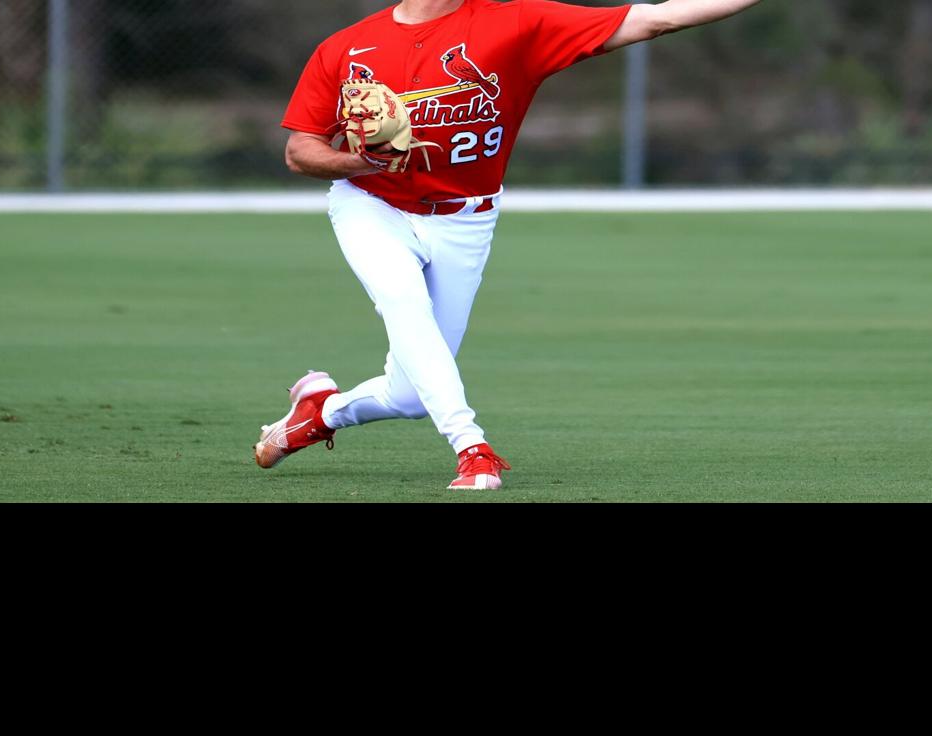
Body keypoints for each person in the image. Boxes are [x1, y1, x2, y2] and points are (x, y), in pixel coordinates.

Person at [257, 0, 764, 489]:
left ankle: (321, 411)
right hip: (372, 206)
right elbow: (300, 150)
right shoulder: (348, 47)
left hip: (465, 219)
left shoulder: (519, 24)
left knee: (411, 394)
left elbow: (658, 18)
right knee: (403, 300)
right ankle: (472, 447)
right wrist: (366, 162)